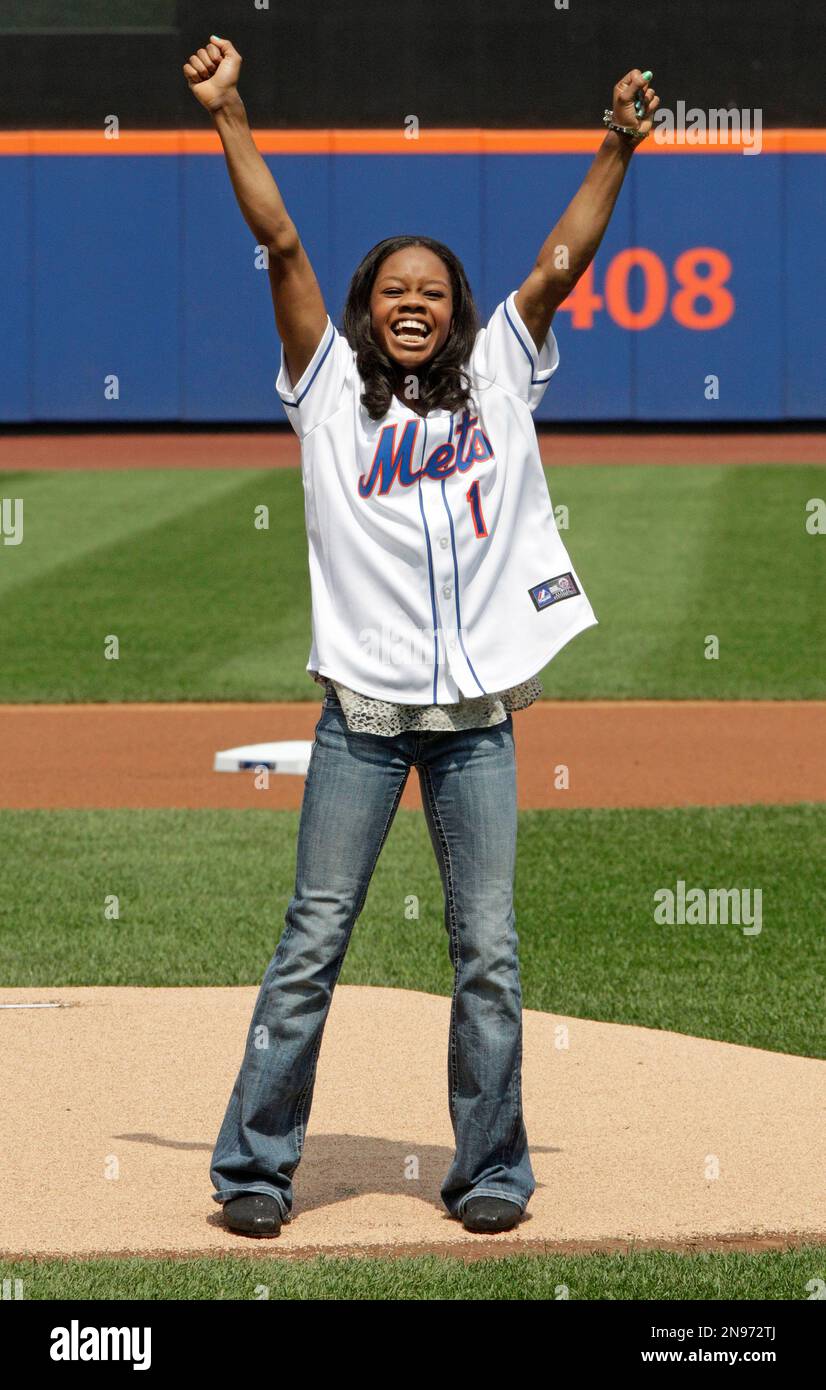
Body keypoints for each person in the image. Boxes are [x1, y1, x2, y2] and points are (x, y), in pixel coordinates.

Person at [182, 35, 659, 1237]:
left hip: (477, 728)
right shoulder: (326, 389)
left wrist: (615, 142)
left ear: (455, 310)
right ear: (365, 308)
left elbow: (561, 263)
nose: (412, 303)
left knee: (487, 956)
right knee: (311, 946)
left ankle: (492, 1168)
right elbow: (282, 244)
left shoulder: (503, 367)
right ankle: (252, 1168)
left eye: (431, 292)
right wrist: (232, 114)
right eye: (393, 290)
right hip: (362, 719)